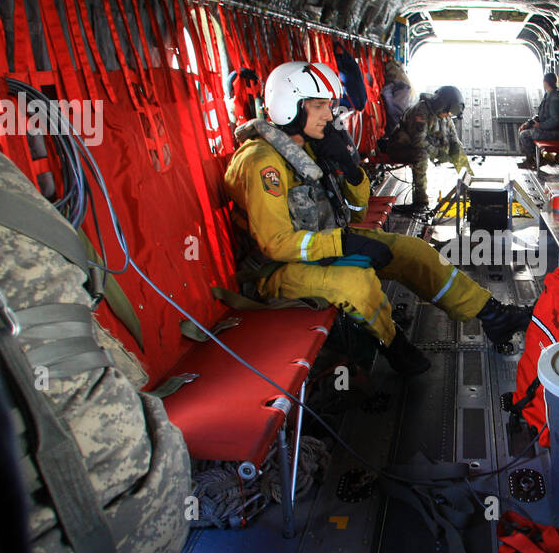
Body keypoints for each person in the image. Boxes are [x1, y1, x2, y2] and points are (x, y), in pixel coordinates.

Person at [224, 61, 530, 374]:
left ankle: (492, 315)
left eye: (329, 106)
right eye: (318, 107)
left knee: (415, 252)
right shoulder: (263, 162)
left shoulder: (308, 151)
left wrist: (349, 167)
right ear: (289, 106)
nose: (329, 116)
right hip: (276, 270)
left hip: (325, 245)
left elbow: (357, 210)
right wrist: (342, 243)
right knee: (357, 283)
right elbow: (275, 244)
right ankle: (393, 345)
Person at [386, 85, 473, 216]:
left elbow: (454, 140)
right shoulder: (421, 112)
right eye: (448, 112)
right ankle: (420, 201)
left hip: (420, 147)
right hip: (400, 148)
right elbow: (418, 142)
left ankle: (470, 190)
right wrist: (439, 154)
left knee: (454, 148)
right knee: (421, 155)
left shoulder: (443, 115)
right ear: (441, 106)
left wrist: (458, 158)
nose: (448, 116)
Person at [517, 72, 559, 167]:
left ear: (546, 83)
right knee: (523, 130)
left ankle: (536, 159)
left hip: (555, 132)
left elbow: (557, 120)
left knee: (524, 135)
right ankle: (532, 159)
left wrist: (540, 125)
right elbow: (541, 115)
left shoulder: (555, 98)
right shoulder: (548, 95)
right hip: (547, 129)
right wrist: (528, 123)